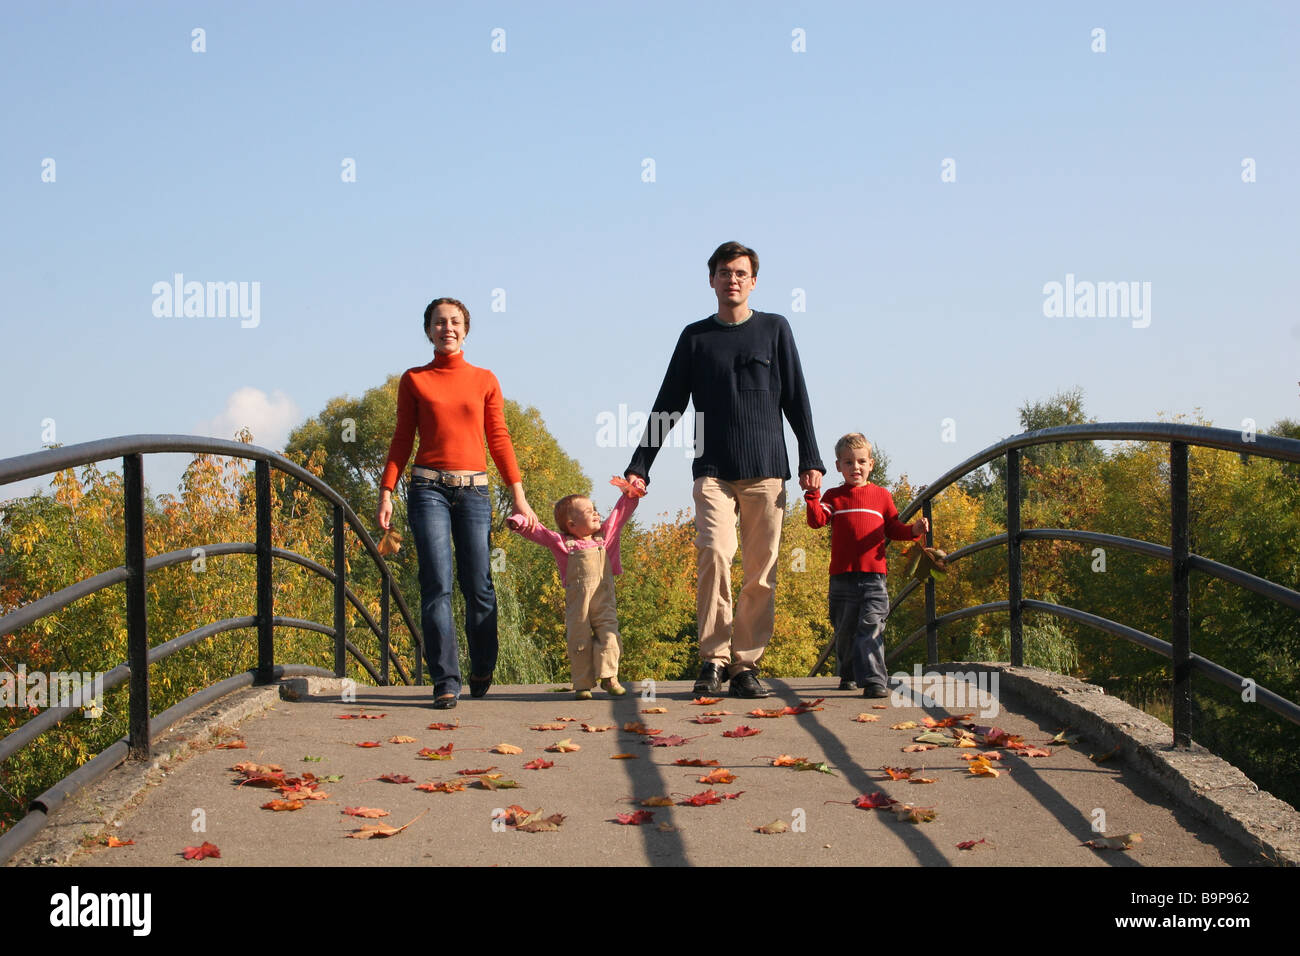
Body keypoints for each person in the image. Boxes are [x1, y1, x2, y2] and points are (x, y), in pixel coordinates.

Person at [625, 241, 824, 699]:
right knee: (714, 554)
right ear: (711, 280)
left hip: (766, 469)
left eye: (740, 273)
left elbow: (797, 398)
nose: (731, 279)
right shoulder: (695, 338)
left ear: (753, 281)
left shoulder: (775, 329)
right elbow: (668, 404)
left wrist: (810, 458)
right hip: (712, 468)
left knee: (761, 571)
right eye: (723, 272)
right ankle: (713, 661)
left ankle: (745, 666)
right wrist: (641, 465)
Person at [376, 297, 538, 709]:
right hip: (427, 488)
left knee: (479, 585)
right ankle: (445, 679)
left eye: (454, 322)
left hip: (474, 492)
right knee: (436, 585)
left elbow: (498, 438)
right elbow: (402, 438)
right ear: (428, 330)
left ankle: (483, 664)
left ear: (465, 329)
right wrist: (387, 491)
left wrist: (518, 495)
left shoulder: (484, 379)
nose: (447, 328)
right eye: (438, 322)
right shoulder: (414, 379)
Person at [804, 433, 928, 697]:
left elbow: (893, 528)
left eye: (861, 461)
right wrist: (813, 495)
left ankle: (874, 680)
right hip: (842, 578)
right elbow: (817, 521)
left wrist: (914, 530)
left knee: (871, 625)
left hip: (874, 578)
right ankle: (848, 673)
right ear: (838, 466)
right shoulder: (834, 496)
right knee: (845, 631)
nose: (855, 467)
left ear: (871, 464)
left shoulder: (881, 496)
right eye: (848, 462)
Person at [506, 477, 645, 699]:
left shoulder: (605, 536)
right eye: (589, 511)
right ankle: (582, 684)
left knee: (609, 634)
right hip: (578, 603)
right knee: (578, 639)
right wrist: (519, 522)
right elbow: (538, 531)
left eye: (595, 509)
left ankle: (610, 677)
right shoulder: (562, 543)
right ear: (571, 525)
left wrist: (630, 494)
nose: (596, 513)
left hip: (604, 599)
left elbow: (620, 514)